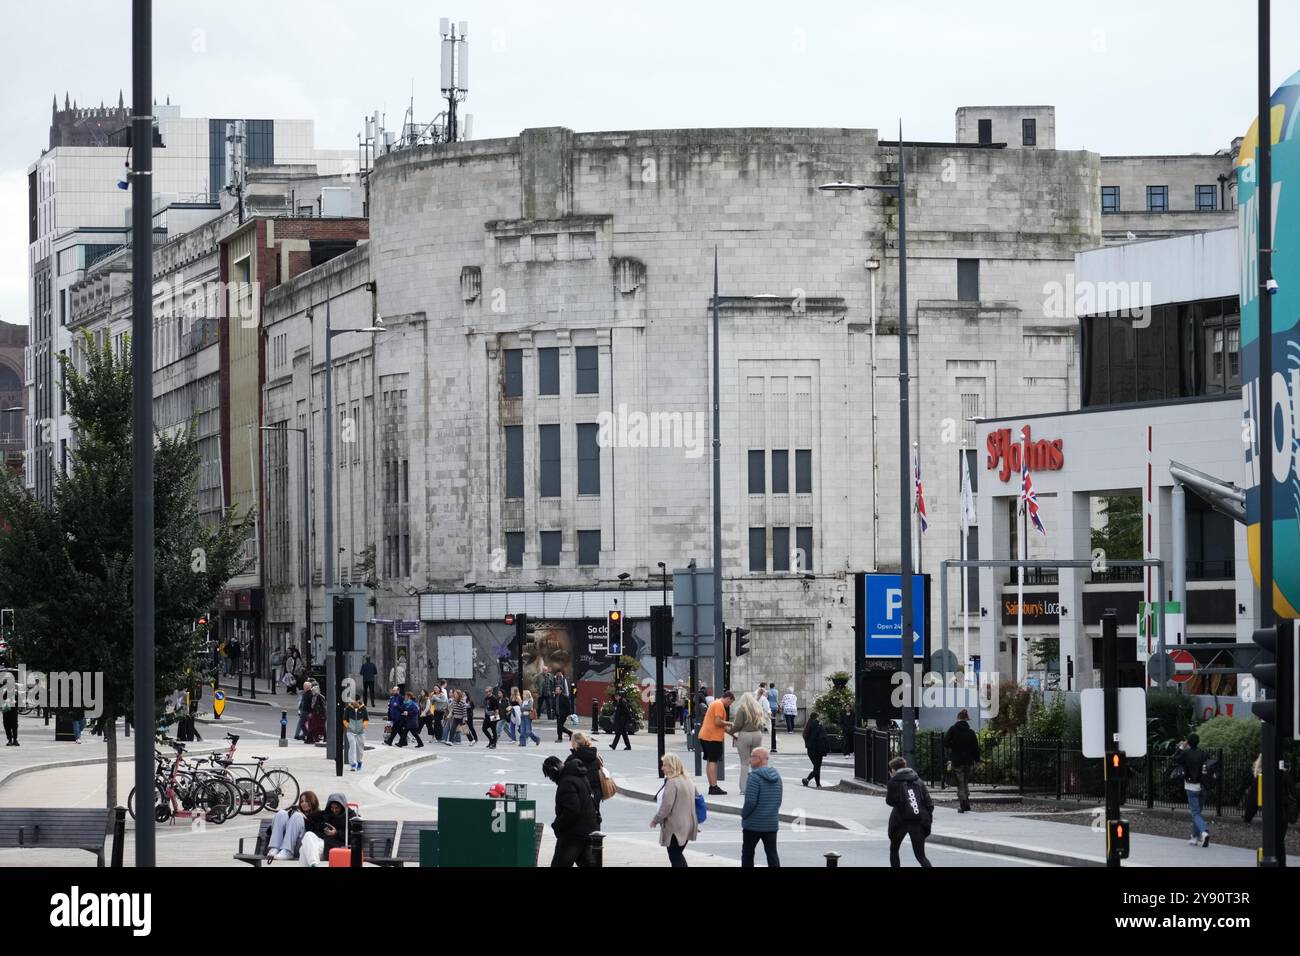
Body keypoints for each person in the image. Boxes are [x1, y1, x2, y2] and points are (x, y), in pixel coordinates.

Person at [543, 754, 597, 867]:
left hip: (572, 834)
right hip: (587, 830)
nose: (551, 779)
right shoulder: (580, 776)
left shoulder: (566, 782)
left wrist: (557, 825)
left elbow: (572, 811)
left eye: (549, 775)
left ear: (554, 769)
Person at [651, 752, 699, 867]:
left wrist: (656, 820)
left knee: (674, 856)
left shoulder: (672, 783)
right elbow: (696, 801)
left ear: (672, 766)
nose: (662, 768)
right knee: (677, 855)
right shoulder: (688, 781)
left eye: (664, 765)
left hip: (675, 827)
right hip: (688, 824)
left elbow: (666, 806)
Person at [886, 756, 933, 867]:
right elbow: (929, 803)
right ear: (905, 766)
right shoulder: (918, 780)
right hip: (918, 821)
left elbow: (889, 801)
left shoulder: (893, 782)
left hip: (901, 821)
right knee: (921, 856)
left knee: (894, 849)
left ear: (893, 770)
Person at [740, 747, 782, 867]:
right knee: (772, 854)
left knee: (748, 853)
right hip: (771, 824)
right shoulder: (777, 777)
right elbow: (779, 801)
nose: (749, 760)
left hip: (753, 824)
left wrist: (744, 815)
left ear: (759, 759)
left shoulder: (754, 777)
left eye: (752, 757)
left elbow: (750, 802)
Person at [265, 791, 323, 863]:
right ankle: (275, 848)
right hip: (282, 848)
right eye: (301, 801)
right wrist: (288, 818)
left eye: (307, 801)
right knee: (281, 813)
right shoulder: (296, 814)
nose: (303, 804)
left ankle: (288, 851)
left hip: (302, 847)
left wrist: (304, 818)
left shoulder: (319, 815)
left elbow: (315, 834)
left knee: (297, 816)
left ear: (313, 801)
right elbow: (269, 832)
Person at [728, 692, 767, 794]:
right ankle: (757, 787)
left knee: (744, 763)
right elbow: (763, 723)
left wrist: (730, 732)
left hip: (745, 735)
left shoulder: (742, 709)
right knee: (757, 762)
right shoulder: (758, 708)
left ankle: (744, 789)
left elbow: (737, 725)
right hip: (757, 735)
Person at [943, 708, 980, 813]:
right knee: (966, 781)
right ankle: (967, 802)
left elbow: (945, 742)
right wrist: (977, 760)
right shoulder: (970, 732)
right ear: (966, 719)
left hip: (957, 760)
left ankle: (963, 803)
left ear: (958, 718)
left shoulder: (953, 730)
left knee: (960, 783)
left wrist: (953, 746)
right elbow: (975, 748)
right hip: (968, 761)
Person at [1177, 734, 1211, 847]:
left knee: (1195, 813)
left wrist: (1181, 747)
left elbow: (1175, 759)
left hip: (1191, 786)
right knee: (1197, 814)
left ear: (1189, 743)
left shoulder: (1186, 754)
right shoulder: (1203, 753)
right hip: (1203, 786)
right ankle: (1194, 838)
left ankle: (1204, 831)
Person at [699, 690, 735, 795]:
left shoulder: (715, 703)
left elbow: (722, 727)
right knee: (713, 761)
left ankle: (712, 786)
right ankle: (714, 787)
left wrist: (734, 735)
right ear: (728, 698)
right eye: (731, 702)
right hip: (712, 737)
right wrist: (731, 723)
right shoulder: (719, 705)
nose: (730, 705)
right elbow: (718, 722)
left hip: (705, 735)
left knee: (710, 761)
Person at [567, 730, 604, 828]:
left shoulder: (572, 759)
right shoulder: (595, 756)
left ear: (575, 743)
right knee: (594, 816)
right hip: (595, 793)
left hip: (579, 794)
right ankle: (596, 839)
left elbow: (564, 778)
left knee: (579, 821)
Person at [313, 792, 359, 863]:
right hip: (327, 844)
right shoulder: (328, 814)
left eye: (337, 808)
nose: (334, 810)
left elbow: (353, 838)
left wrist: (336, 833)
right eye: (332, 807)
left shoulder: (351, 816)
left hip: (344, 846)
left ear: (342, 806)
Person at [802, 711, 830, 788]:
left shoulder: (808, 726)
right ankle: (807, 779)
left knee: (816, 767)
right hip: (818, 750)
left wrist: (808, 745)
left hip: (810, 750)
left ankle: (818, 784)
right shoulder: (819, 726)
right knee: (817, 768)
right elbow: (823, 738)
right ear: (816, 718)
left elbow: (805, 737)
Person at [345, 696, 368, 771]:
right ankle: (353, 764)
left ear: (358, 701)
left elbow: (366, 719)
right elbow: (345, 719)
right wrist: (348, 726)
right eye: (353, 701)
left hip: (360, 732)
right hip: (350, 732)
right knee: (352, 746)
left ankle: (359, 762)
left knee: (360, 748)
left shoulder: (363, 708)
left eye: (355, 701)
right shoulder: (348, 708)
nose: (354, 703)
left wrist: (363, 726)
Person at [554, 671, 574, 741]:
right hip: (557, 714)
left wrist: (568, 714)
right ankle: (570, 733)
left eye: (557, 689)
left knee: (559, 726)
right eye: (556, 689)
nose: (556, 690)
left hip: (563, 714)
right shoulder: (555, 696)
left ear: (561, 690)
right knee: (559, 726)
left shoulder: (564, 697)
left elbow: (568, 706)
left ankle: (560, 738)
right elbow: (554, 704)